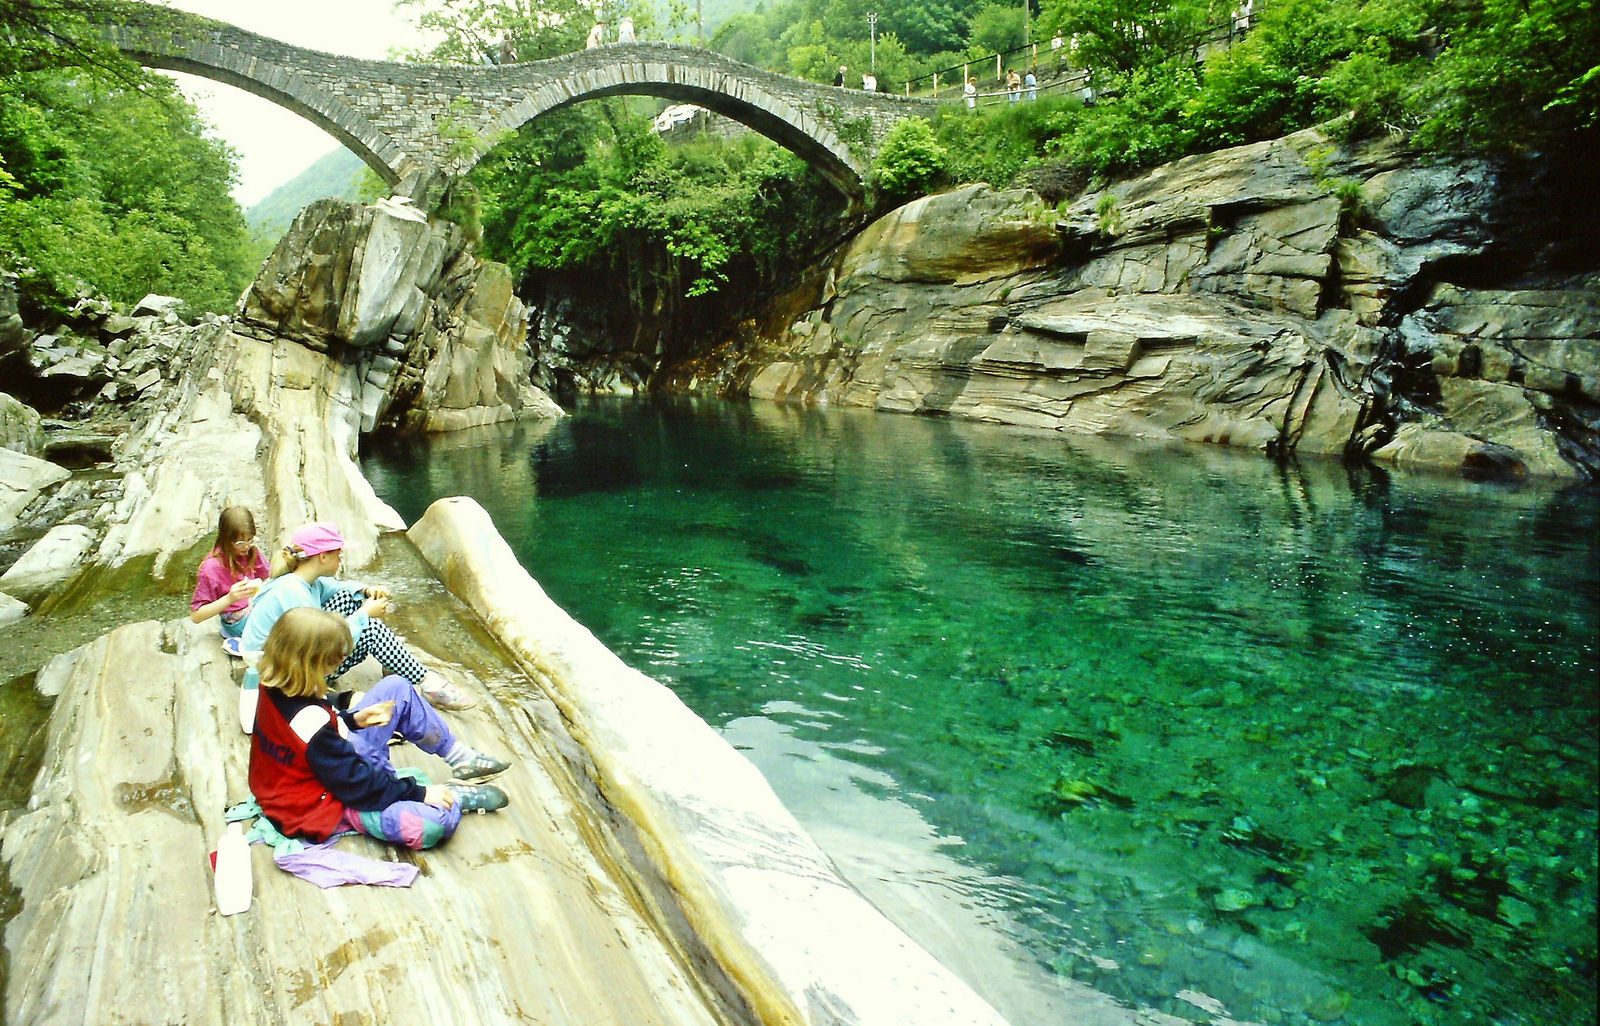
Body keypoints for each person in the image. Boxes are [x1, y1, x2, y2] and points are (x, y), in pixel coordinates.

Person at [249, 608, 510, 850]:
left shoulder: (274, 682)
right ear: (310, 664)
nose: (338, 666)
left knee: (397, 687)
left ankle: (460, 757)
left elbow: (308, 734)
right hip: (323, 801)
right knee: (431, 824)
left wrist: (353, 720)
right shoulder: (312, 724)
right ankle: (456, 797)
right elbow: (358, 785)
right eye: (331, 663)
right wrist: (422, 793)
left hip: (324, 770)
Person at [241, 522, 476, 710]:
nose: (340, 558)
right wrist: (365, 614)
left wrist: (365, 590)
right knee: (371, 629)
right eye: (337, 554)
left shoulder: (304, 580)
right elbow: (320, 643)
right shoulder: (293, 593)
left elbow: (338, 588)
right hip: (286, 675)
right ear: (322, 557)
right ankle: (427, 682)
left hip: (287, 657)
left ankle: (394, 660)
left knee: (348, 599)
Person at [191, 506, 269, 640]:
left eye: (250, 540)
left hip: (254, 605)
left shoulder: (250, 551)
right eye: (239, 542)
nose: (245, 547)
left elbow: (267, 575)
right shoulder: (211, 567)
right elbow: (196, 616)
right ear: (226, 539)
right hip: (237, 621)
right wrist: (230, 598)